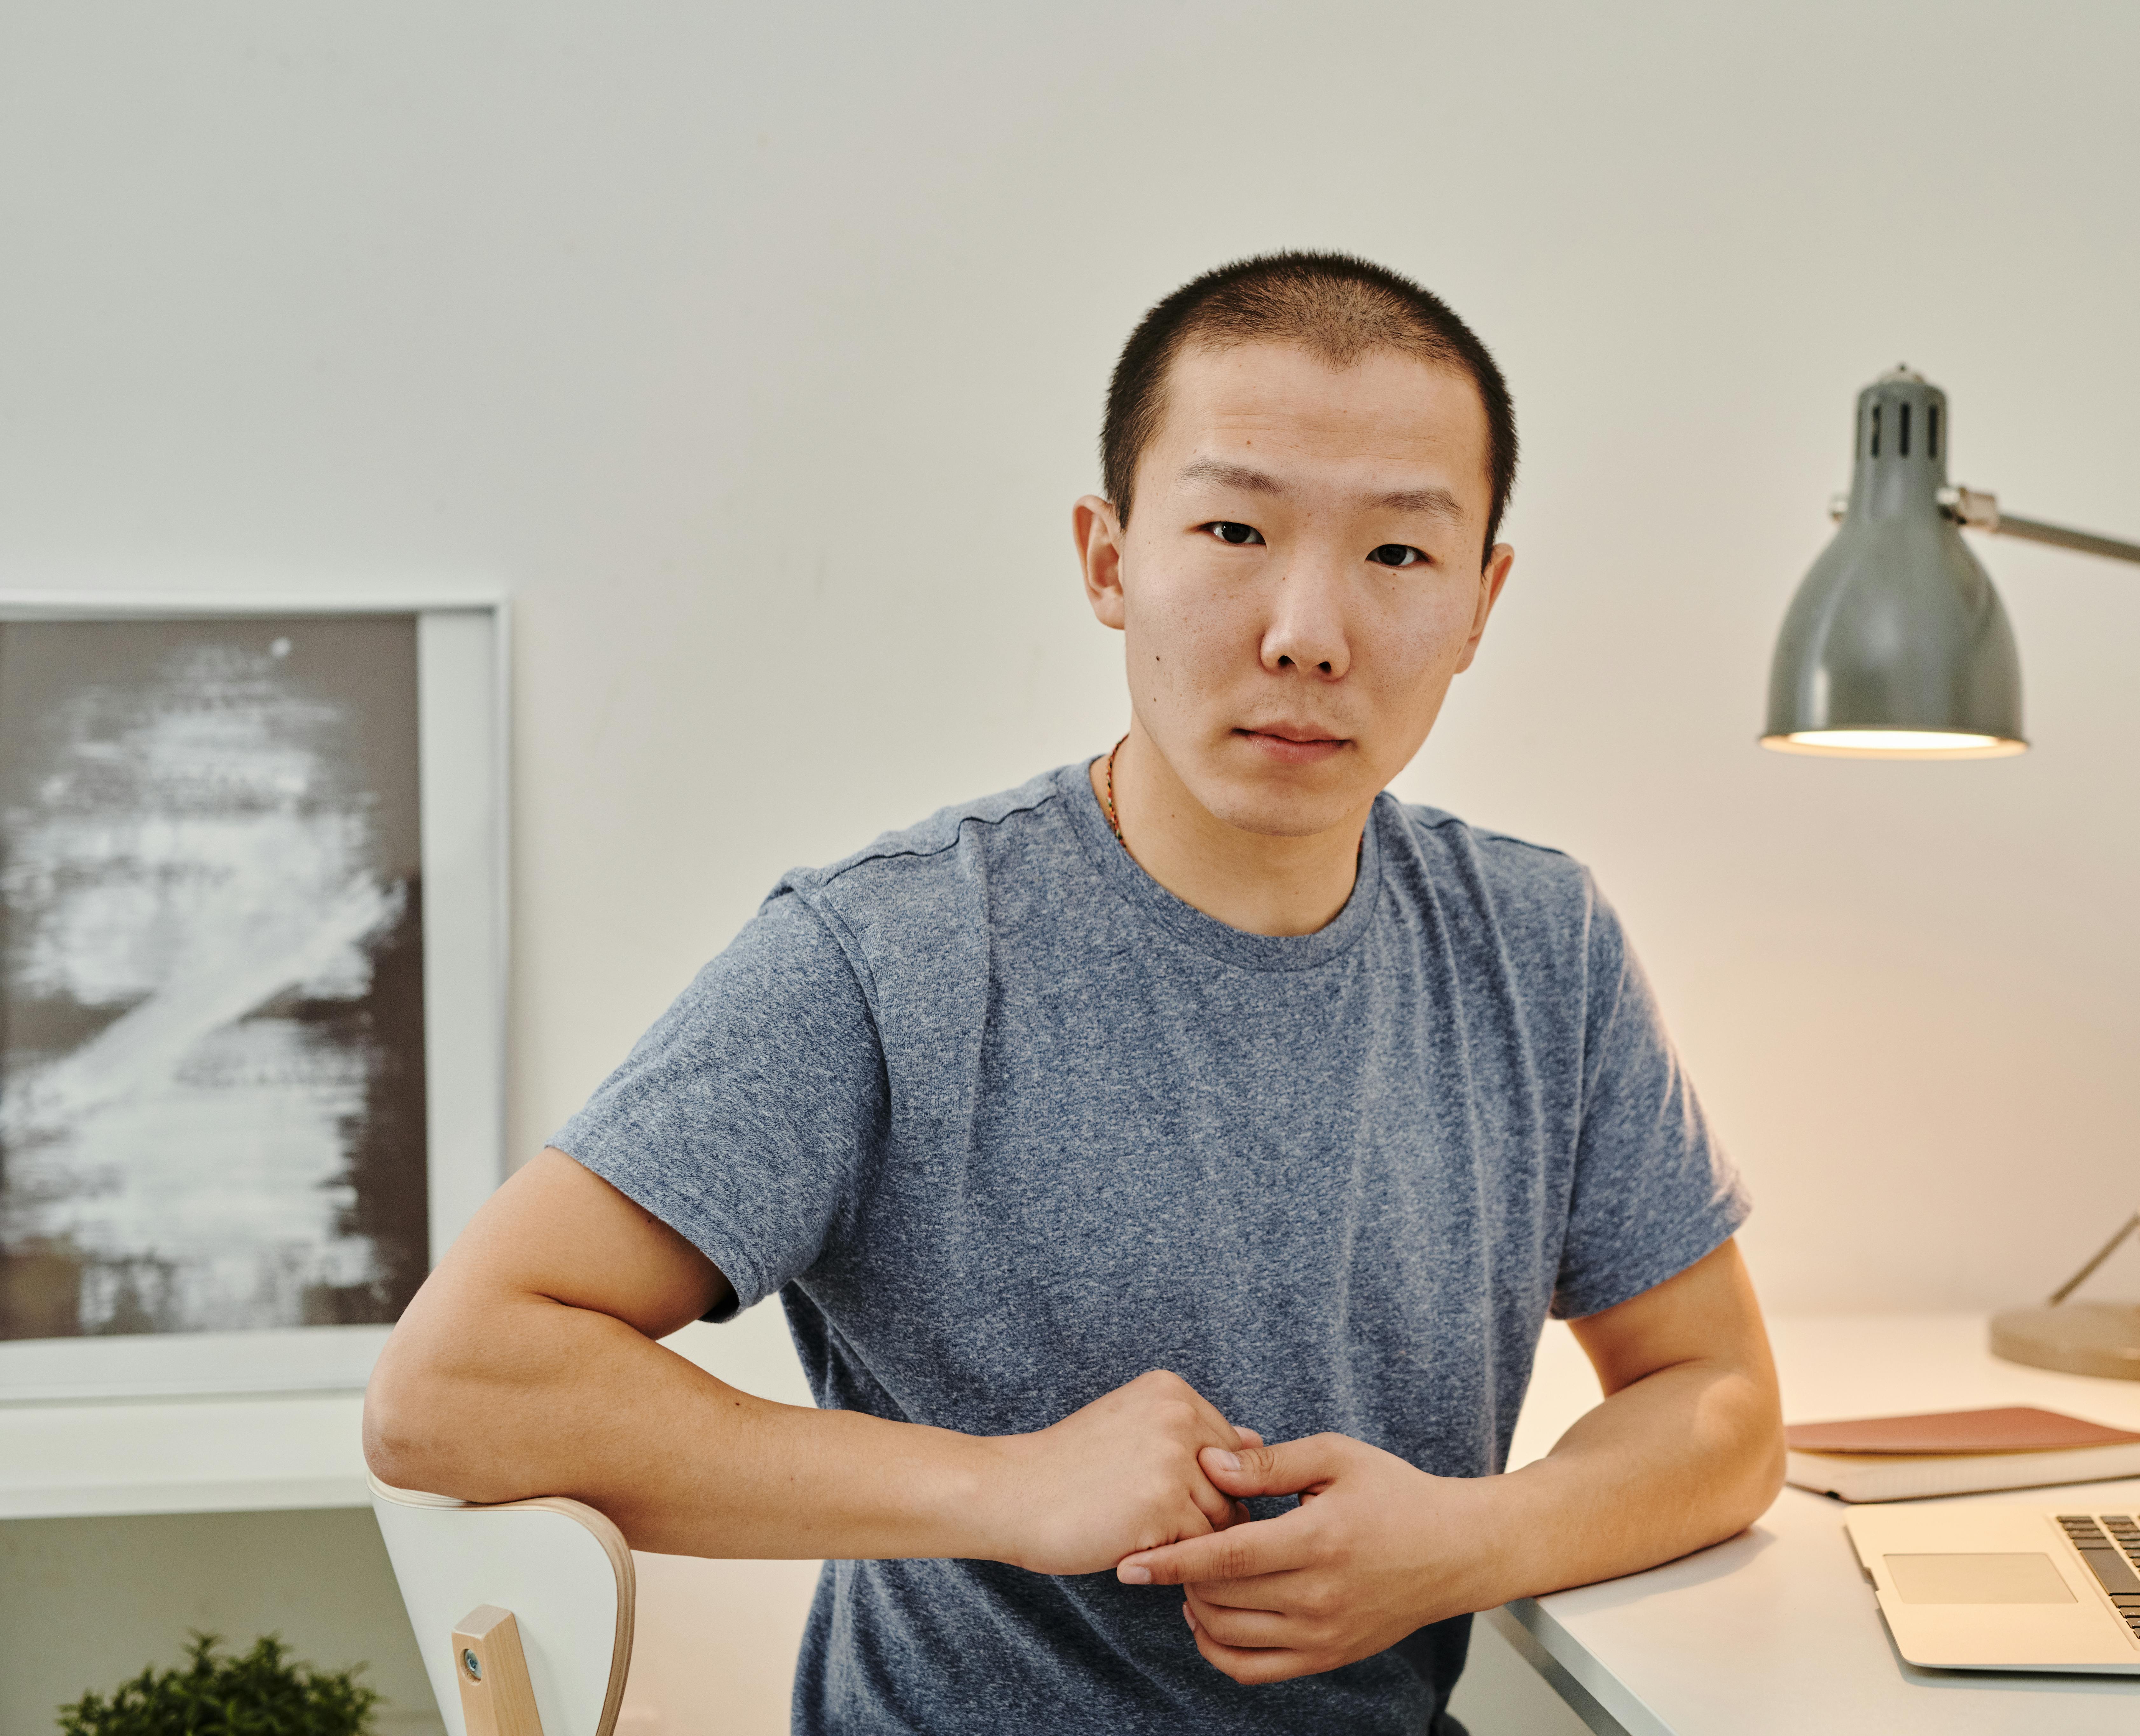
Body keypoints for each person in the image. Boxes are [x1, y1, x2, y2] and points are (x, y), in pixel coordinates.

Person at [364, 251, 1784, 1736]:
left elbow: (1720, 1399)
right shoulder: (889, 955)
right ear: (1106, 559)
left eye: (1398, 556)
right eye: (1233, 528)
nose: (1307, 629)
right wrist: (1004, 1487)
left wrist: (1466, 1543)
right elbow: (451, 1387)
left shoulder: (1536, 942)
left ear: (1482, 601)